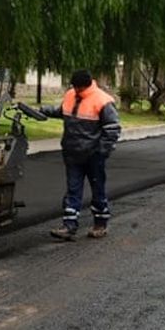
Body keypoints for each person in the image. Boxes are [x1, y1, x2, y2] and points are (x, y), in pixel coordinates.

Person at [40, 70, 122, 241]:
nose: (77, 90)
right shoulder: (70, 94)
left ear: (88, 84)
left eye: (80, 88)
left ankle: (100, 224)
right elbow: (62, 111)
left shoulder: (103, 100)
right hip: (72, 153)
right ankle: (69, 226)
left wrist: (102, 151)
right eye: (75, 87)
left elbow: (112, 129)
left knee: (97, 189)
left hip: (94, 155)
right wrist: (43, 111)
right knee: (73, 189)